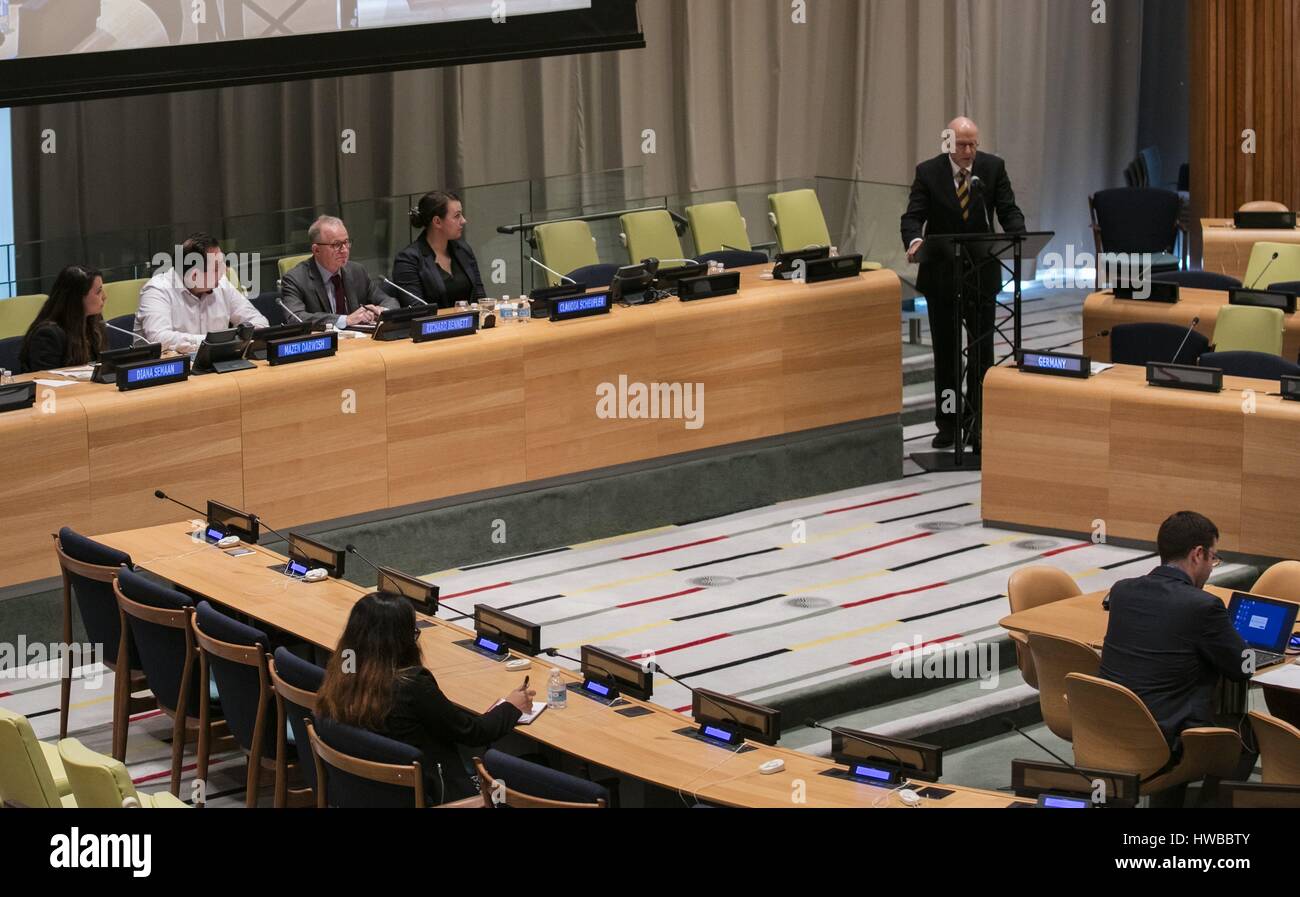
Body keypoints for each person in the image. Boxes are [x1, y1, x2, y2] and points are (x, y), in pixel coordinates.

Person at [315, 591, 534, 803]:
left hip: (362, 793)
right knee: (523, 774)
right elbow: (473, 732)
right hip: (431, 794)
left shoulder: (343, 670)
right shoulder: (412, 685)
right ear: (401, 641)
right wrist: (511, 707)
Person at [900, 116, 1025, 450]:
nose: (969, 151)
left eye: (973, 144)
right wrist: (914, 242)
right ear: (948, 143)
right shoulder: (928, 172)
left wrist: (1017, 232)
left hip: (981, 275)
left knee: (982, 352)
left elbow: (1008, 210)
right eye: (962, 145)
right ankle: (949, 423)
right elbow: (913, 217)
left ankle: (979, 422)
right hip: (942, 276)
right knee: (948, 354)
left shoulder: (993, 168)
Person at [1099, 511, 1251, 748]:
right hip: (1166, 740)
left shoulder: (1121, 591)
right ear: (1197, 554)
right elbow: (1243, 668)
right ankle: (1193, 784)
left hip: (1107, 730)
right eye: (1213, 557)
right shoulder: (1204, 606)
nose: (1212, 566)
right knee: (1247, 735)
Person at [134, 232, 267, 352]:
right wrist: (214, 342)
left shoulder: (222, 284)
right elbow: (159, 339)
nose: (225, 270)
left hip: (213, 368)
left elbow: (259, 322)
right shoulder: (157, 290)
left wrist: (233, 338)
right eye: (216, 267)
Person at [280, 215, 397, 329]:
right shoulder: (295, 279)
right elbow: (295, 318)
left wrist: (382, 311)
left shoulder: (357, 271)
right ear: (316, 250)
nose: (344, 250)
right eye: (336, 245)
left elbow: (390, 301)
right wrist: (345, 320)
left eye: (346, 242)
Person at [391, 190, 487, 309]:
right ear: (437, 222)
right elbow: (417, 311)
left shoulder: (463, 249)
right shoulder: (408, 260)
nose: (463, 221)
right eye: (457, 216)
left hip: (471, 324)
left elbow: (480, 297)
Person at [17, 265, 107, 373]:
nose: (104, 296)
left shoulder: (94, 322)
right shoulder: (48, 335)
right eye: (98, 292)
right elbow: (46, 382)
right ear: (77, 298)